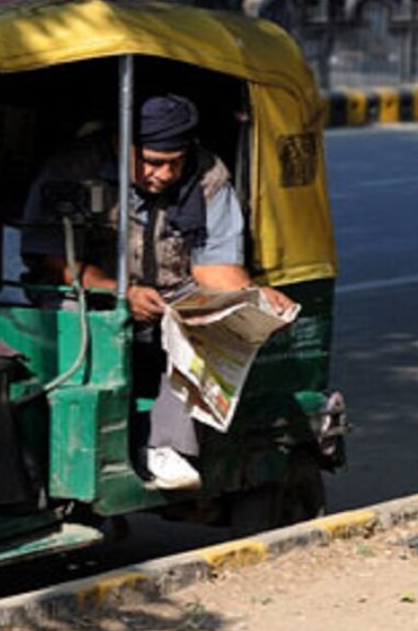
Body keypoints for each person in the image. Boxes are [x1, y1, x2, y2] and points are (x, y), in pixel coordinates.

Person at [21, 94, 295, 490]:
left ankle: (163, 446)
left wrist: (257, 298)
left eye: (175, 163)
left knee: (215, 323)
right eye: (153, 162)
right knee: (81, 317)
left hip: (172, 293)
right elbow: (54, 263)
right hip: (89, 290)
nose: (165, 175)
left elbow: (213, 268)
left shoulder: (207, 175)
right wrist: (122, 293)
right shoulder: (71, 168)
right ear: (122, 146)